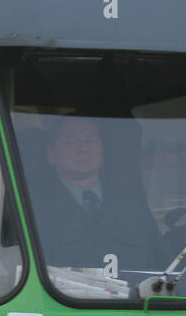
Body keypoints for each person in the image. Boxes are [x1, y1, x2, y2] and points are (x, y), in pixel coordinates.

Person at [30, 116, 165, 275]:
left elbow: (166, 268)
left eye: (90, 140)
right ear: (51, 155)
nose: (83, 149)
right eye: (71, 142)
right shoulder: (34, 209)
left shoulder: (133, 207)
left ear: (102, 149)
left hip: (133, 299)